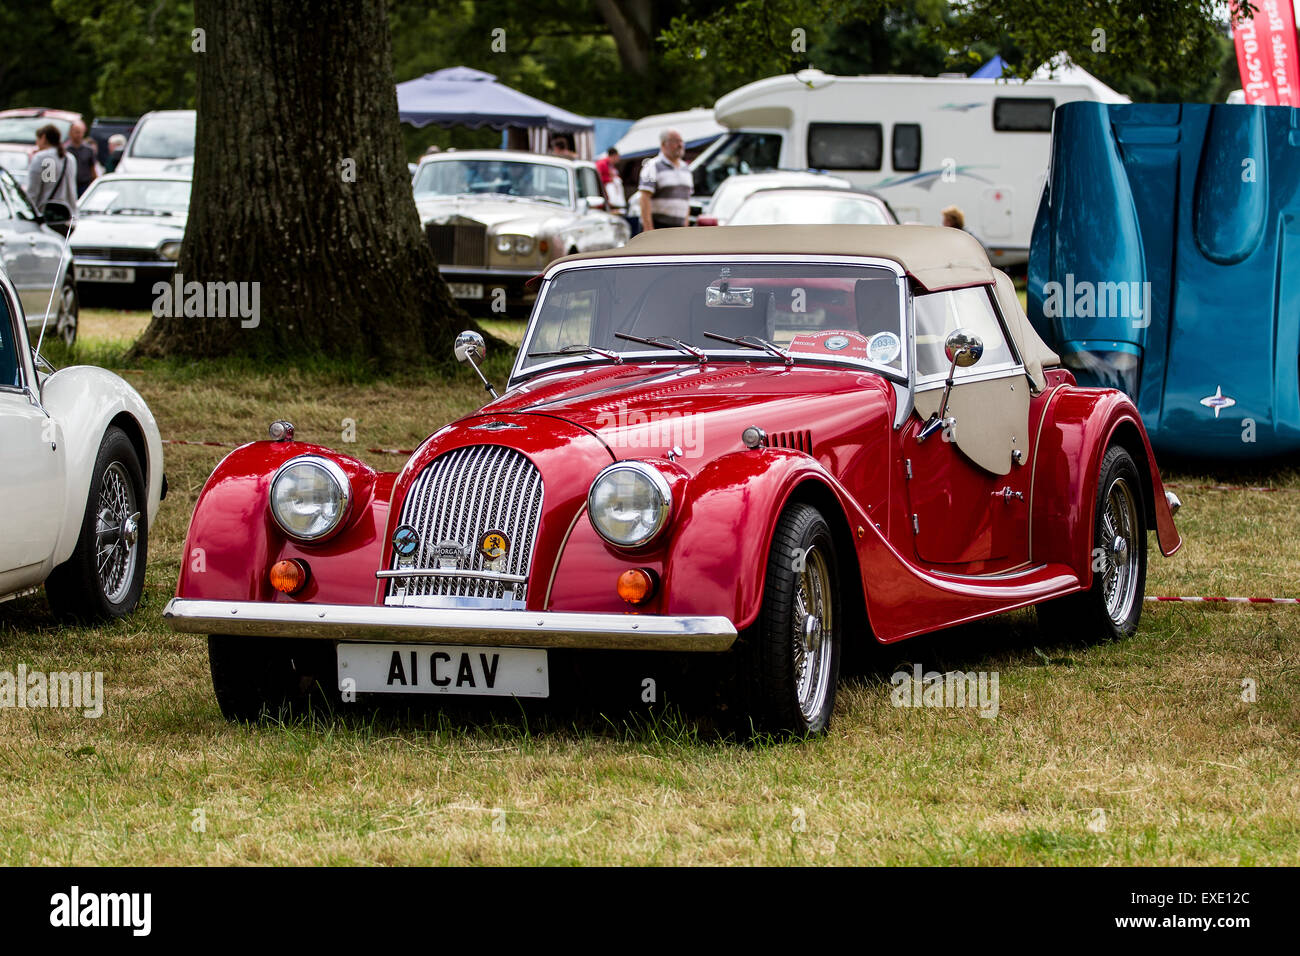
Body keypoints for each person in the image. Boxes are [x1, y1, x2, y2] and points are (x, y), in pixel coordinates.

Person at [637, 129, 691, 230]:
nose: (680, 145)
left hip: (678, 229)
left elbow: (686, 200)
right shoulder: (652, 166)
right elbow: (644, 198)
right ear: (663, 144)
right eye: (675, 141)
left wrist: (685, 226)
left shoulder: (686, 169)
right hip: (658, 227)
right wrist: (648, 229)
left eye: (681, 141)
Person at [27, 124, 77, 221]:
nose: (36, 143)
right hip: (69, 216)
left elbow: (33, 192)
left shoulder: (40, 157)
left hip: (47, 216)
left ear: (44, 138)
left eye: (37, 139)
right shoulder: (70, 158)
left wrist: (28, 214)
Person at [64, 120, 98, 196]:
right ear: (70, 133)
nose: (78, 135)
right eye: (76, 132)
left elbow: (93, 169)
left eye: (80, 132)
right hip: (70, 185)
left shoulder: (89, 150)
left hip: (85, 185)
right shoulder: (65, 151)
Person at [596, 147, 626, 215]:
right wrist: (609, 179)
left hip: (612, 198)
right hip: (604, 197)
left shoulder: (611, 166)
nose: (619, 159)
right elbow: (597, 179)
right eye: (618, 157)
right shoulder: (602, 164)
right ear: (614, 156)